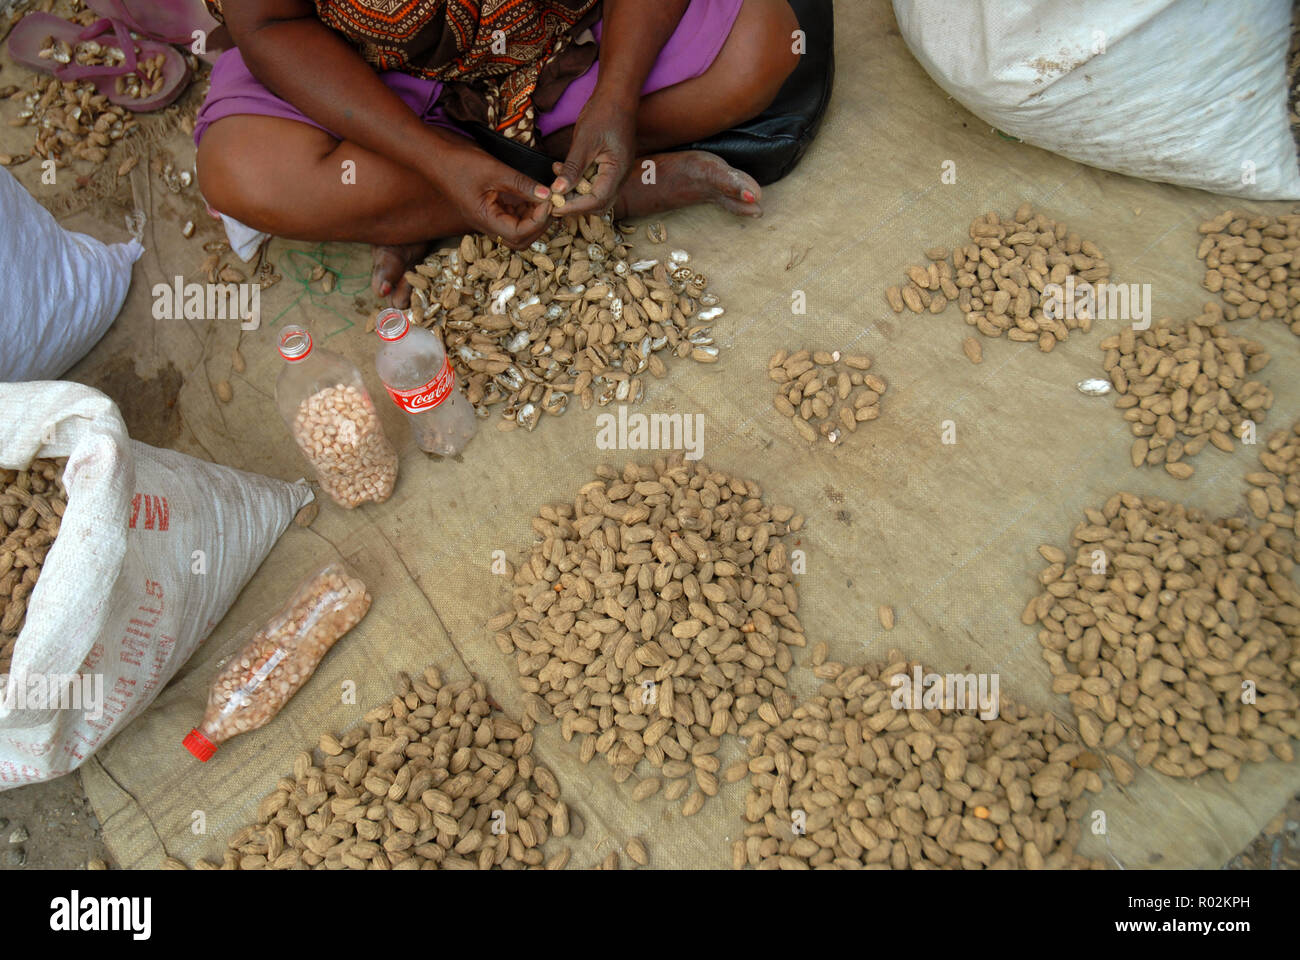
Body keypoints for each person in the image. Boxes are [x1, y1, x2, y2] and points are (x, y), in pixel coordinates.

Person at [194, 0, 801, 305]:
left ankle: (419, 207)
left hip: (565, 39)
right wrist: (434, 158)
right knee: (244, 171)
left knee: (763, 45)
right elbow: (270, 24)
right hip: (363, 81)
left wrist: (617, 93)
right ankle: (610, 191)